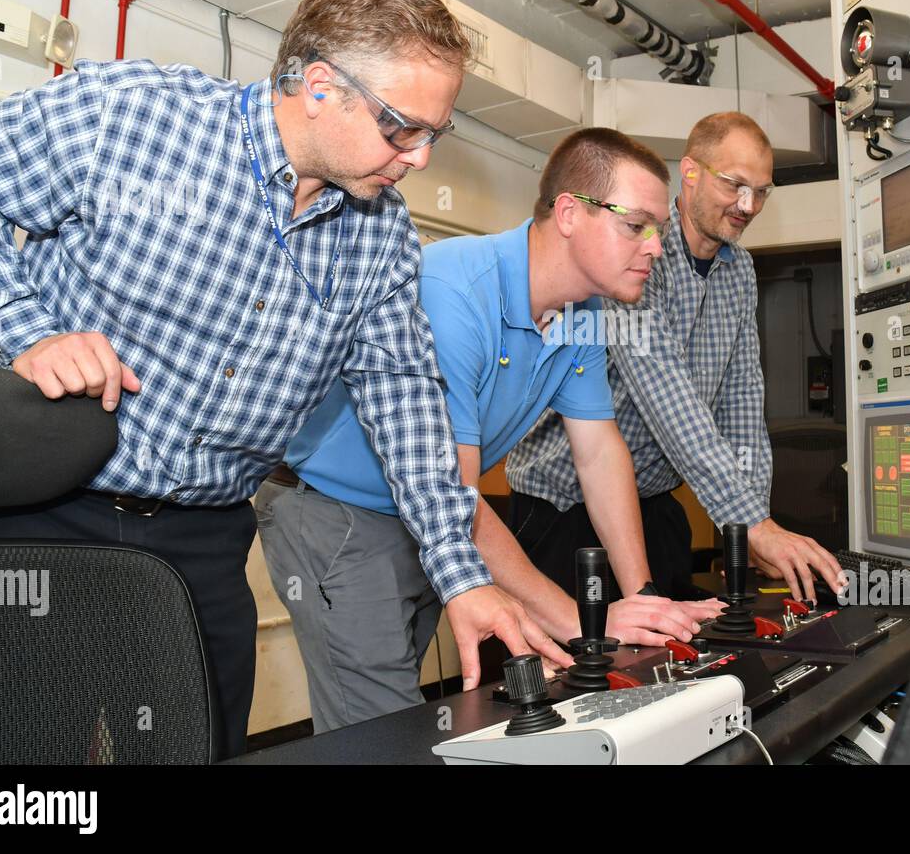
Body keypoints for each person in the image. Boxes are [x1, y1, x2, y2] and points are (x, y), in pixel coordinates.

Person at [0, 0, 562, 758]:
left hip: (206, 543)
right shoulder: (133, 118)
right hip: (53, 514)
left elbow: (406, 401)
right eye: (402, 128)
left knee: (194, 747)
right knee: (25, 761)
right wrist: (28, 329)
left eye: (434, 135)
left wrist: (462, 574)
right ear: (318, 86)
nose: (418, 158)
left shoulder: (380, 234)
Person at [259, 128, 724, 732]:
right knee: (378, 728)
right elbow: (454, 490)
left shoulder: (584, 313)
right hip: (335, 512)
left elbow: (599, 455)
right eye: (636, 224)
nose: (656, 246)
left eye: (659, 228)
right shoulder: (452, 293)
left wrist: (642, 600)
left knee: (416, 721)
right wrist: (587, 622)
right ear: (569, 214)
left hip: (421, 518)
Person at [507, 112, 848, 602]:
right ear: (690, 171)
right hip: (565, 508)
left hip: (655, 505)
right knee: (583, 669)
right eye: (734, 185)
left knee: (676, 658)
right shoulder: (638, 252)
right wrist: (748, 520)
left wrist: (755, 520)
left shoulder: (740, 271)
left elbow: (742, 402)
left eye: (762, 191)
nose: (748, 205)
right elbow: (668, 398)